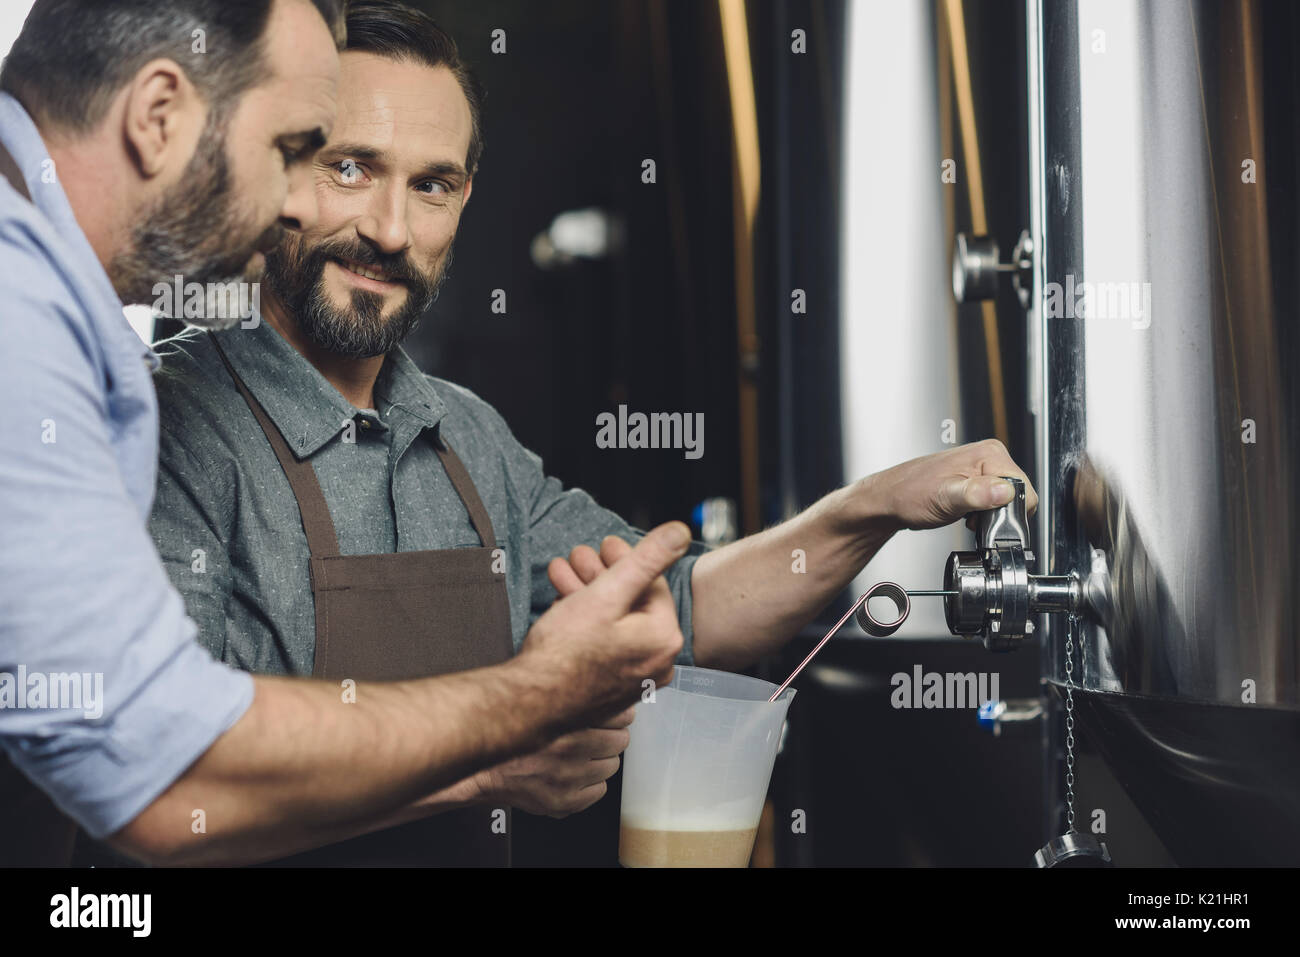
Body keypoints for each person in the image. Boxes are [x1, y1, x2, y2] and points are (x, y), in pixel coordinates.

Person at [142, 0, 1039, 866]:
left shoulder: (467, 440)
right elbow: (160, 788)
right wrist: (490, 758)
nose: (390, 229)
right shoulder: (166, 424)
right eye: (351, 168)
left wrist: (873, 506)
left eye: (432, 185)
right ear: (279, 170)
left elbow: (680, 613)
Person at [0, 0, 693, 869]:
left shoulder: (45, 307)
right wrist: (518, 716)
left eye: (430, 183)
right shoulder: (21, 317)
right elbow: (155, 768)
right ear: (158, 116)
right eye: (299, 153)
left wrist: (861, 513)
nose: (300, 204)